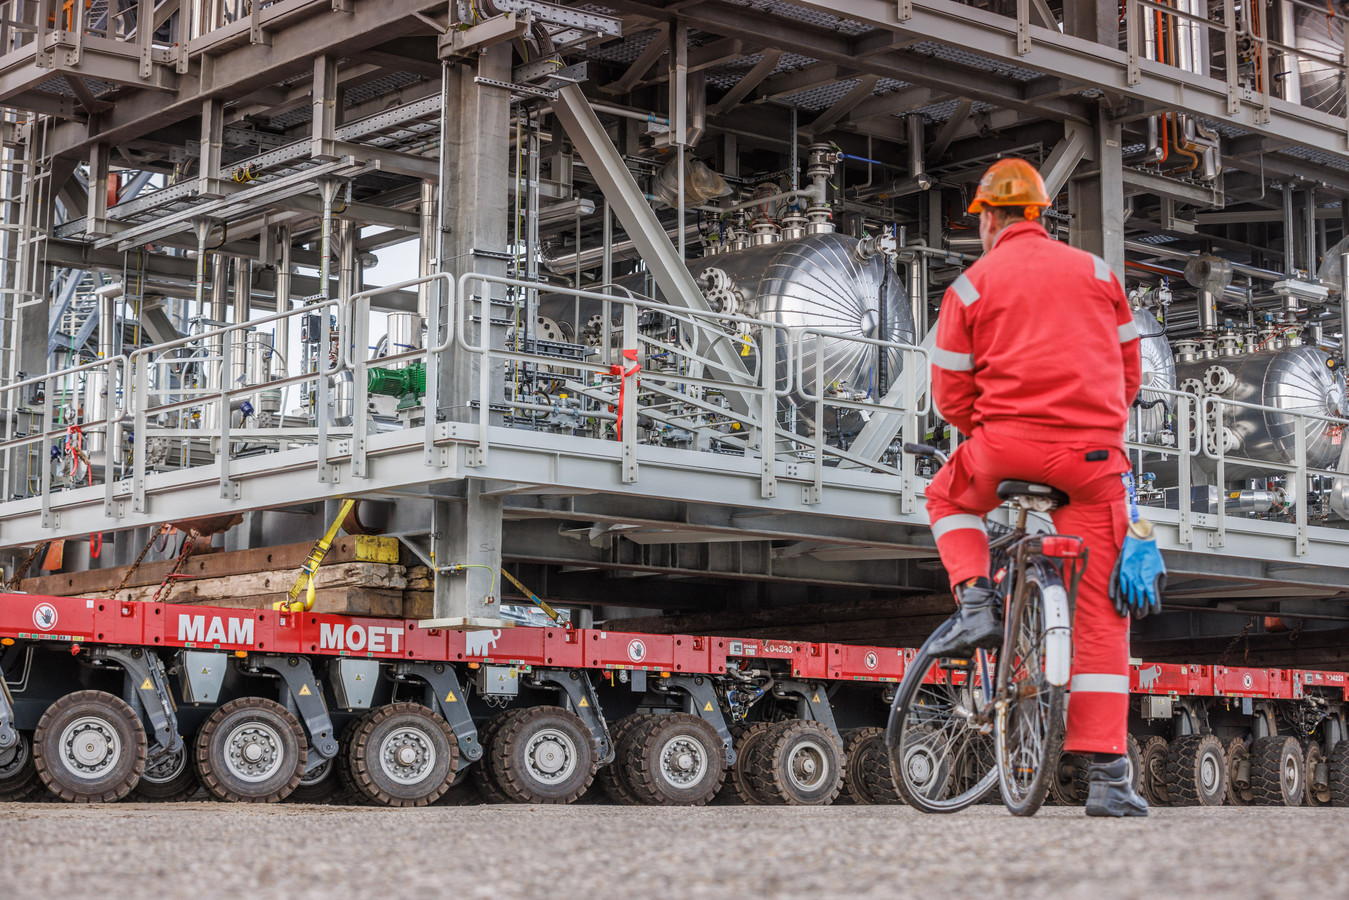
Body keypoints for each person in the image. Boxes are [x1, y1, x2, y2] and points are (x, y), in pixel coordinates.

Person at [923, 157, 1148, 817]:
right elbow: (1130, 374)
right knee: (1101, 614)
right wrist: (1094, 425)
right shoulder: (1099, 275)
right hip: (1093, 460)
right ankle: (1108, 779)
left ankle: (974, 602)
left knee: (946, 497)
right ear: (1041, 213)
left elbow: (949, 394)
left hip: (1006, 447)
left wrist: (991, 432)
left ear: (988, 218)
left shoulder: (971, 285)